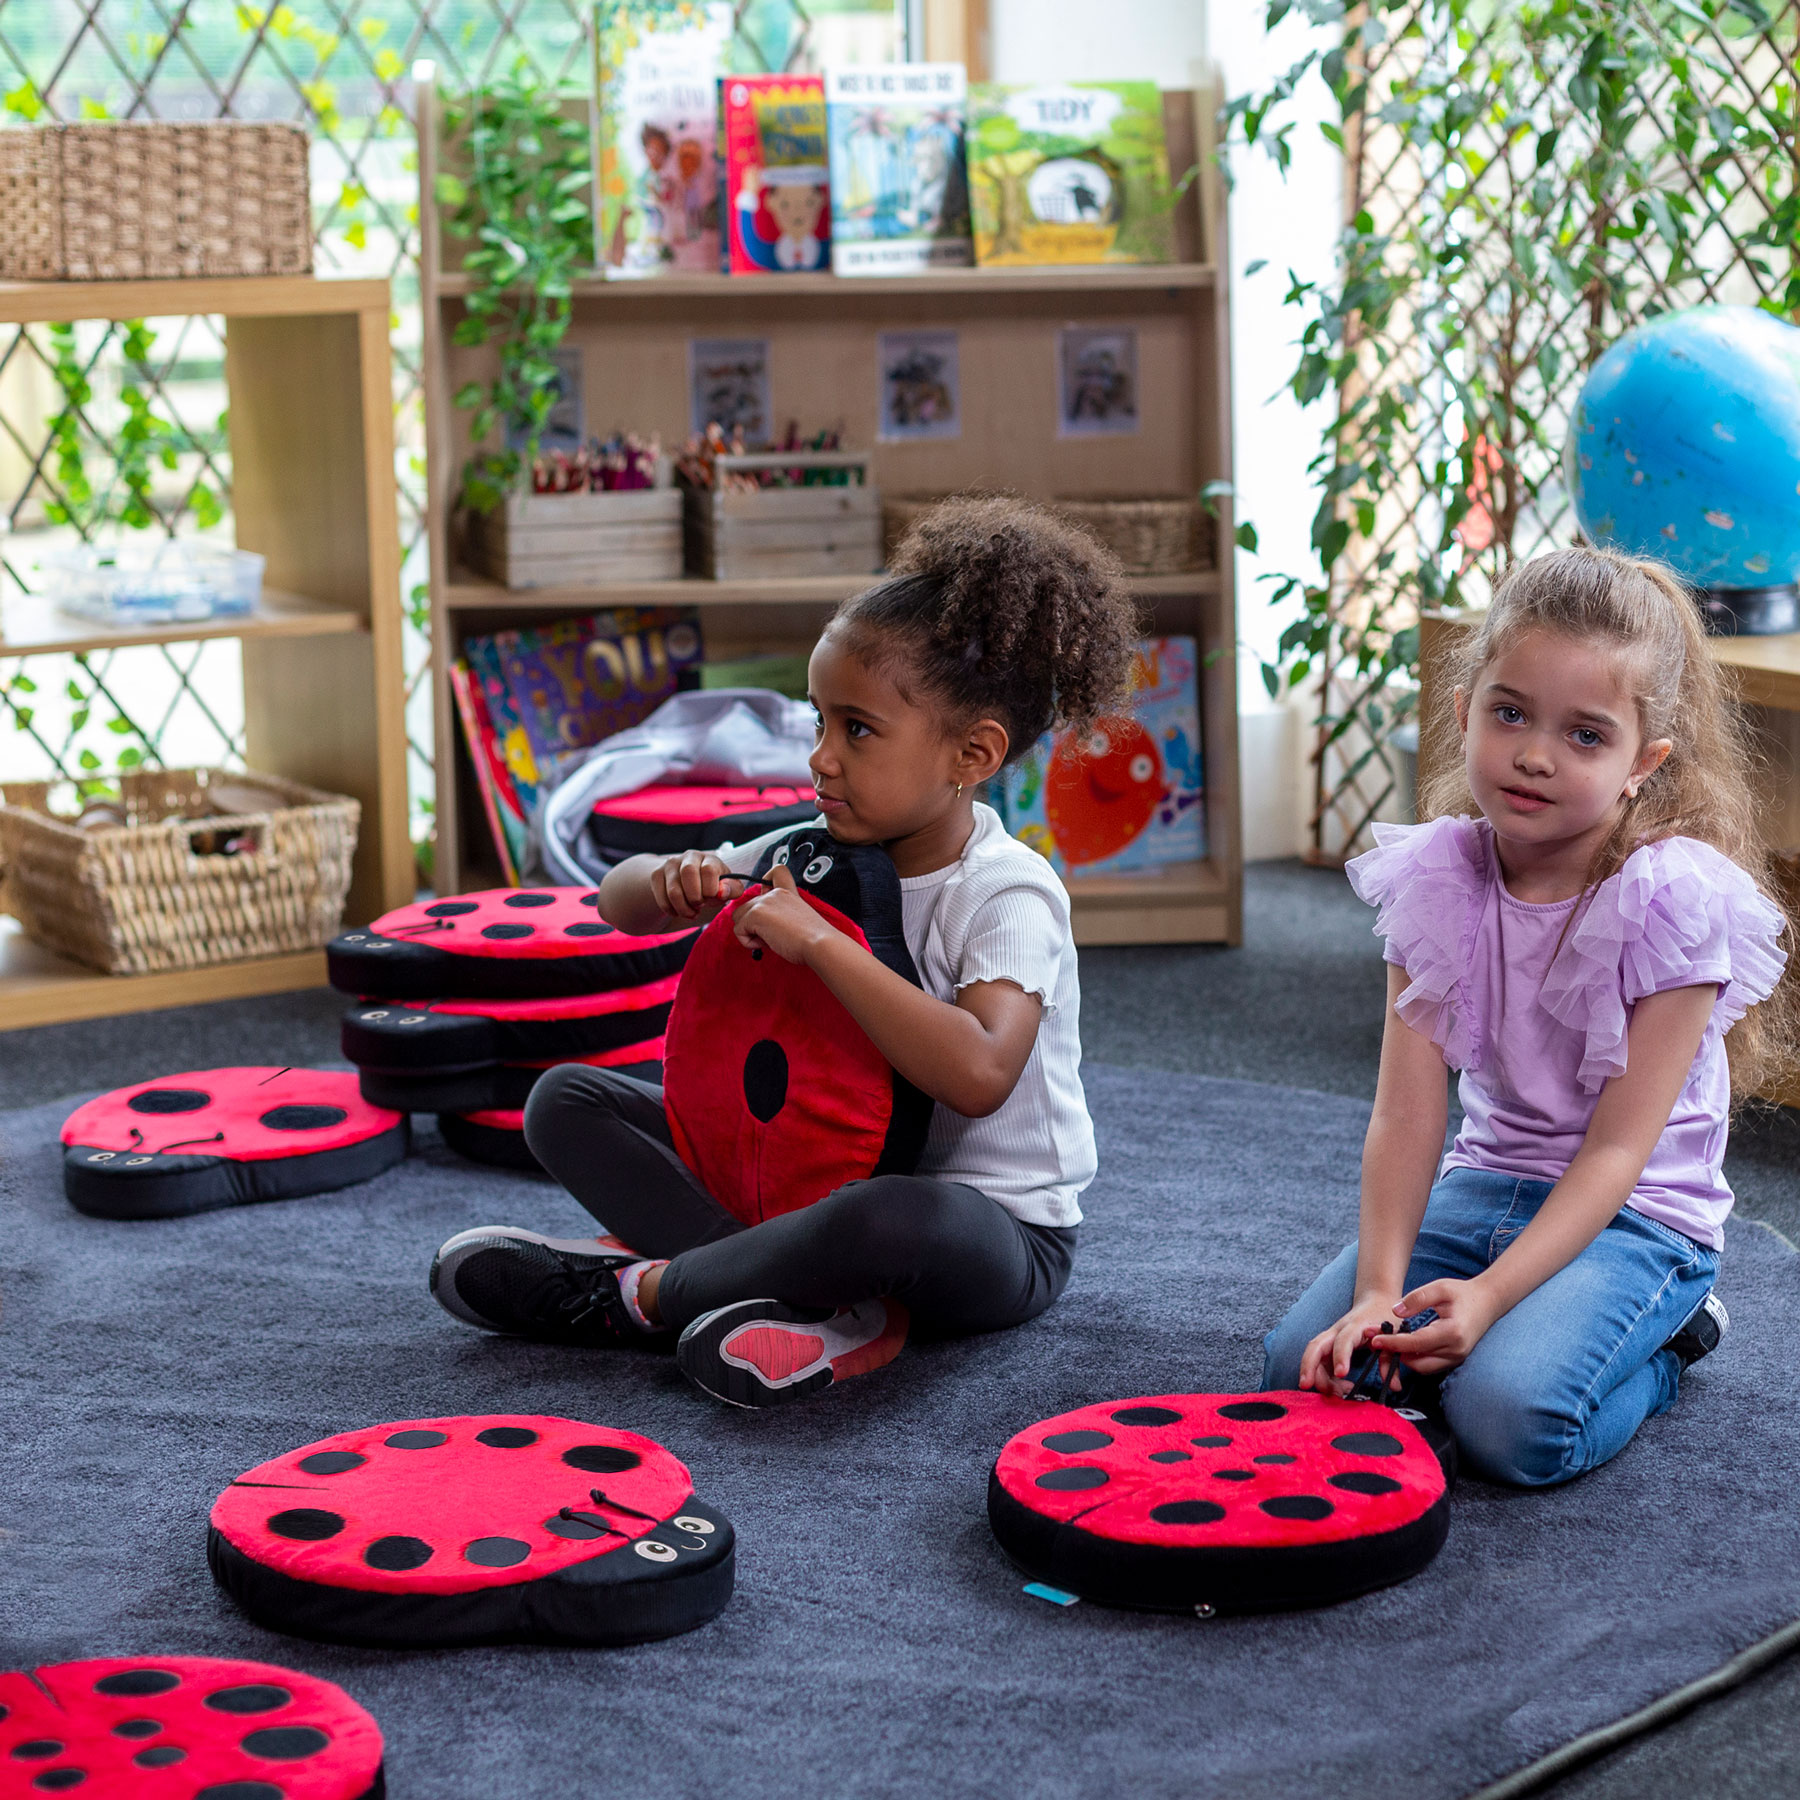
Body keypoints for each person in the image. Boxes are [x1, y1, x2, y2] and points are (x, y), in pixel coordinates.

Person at [430, 497, 1138, 1408]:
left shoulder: (1007, 892)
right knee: (565, 1101)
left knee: (888, 1213)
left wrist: (821, 944)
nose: (820, 758)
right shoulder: (808, 848)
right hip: (806, 1177)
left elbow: (979, 1073)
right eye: (818, 722)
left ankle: (646, 1295)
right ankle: (793, 1295)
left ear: (972, 754)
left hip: (982, 1229)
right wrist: (668, 879)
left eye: (858, 730)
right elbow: (617, 903)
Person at [1263, 546, 1794, 1485]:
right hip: (1486, 1186)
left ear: (1643, 764)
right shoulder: (1437, 878)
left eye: (1586, 735)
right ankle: (1470, 1347)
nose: (1536, 755)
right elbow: (1406, 1112)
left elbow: (1618, 1153)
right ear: (1463, 710)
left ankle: (1671, 1344)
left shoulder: (1672, 902)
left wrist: (1490, 1297)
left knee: (1509, 1423)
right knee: (1300, 1372)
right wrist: (1379, 1292)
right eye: (1509, 714)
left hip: (1639, 1217)